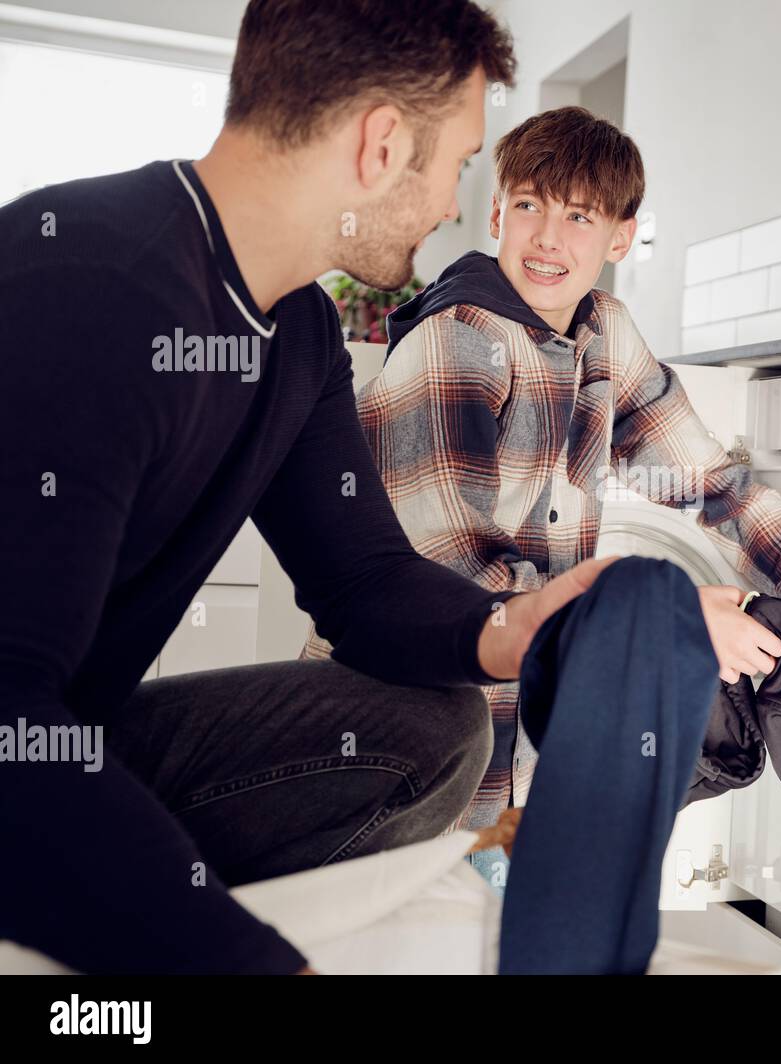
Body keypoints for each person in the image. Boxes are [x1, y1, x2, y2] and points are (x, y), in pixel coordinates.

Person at [0, 0, 617, 976]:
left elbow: (363, 578)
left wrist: (512, 627)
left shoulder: (298, 333)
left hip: (65, 738)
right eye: (457, 162)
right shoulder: (86, 286)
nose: (451, 206)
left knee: (435, 725)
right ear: (380, 145)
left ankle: (136, 905)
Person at [301, 105, 781, 887]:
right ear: (497, 212)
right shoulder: (459, 340)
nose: (548, 239)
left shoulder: (603, 334)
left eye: (580, 216)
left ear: (620, 237)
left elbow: (710, 482)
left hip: (513, 761)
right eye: (529, 205)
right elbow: (454, 583)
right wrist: (667, 625)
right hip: (399, 748)